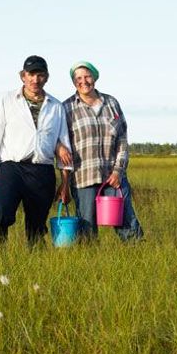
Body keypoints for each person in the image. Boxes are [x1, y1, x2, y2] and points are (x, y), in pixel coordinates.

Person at [0, 55, 72, 245]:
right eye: (31, 74)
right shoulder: (7, 100)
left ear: (46, 77)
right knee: (2, 211)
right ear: (22, 76)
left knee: (37, 224)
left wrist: (65, 183)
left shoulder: (55, 106)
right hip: (12, 167)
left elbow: (64, 145)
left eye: (40, 75)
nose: (35, 80)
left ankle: (35, 264)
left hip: (42, 169)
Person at [59, 60, 143, 241]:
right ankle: (90, 263)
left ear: (95, 78)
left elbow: (122, 140)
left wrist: (118, 172)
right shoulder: (66, 108)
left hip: (113, 177)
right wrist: (65, 184)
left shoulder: (111, 103)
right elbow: (63, 148)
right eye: (78, 78)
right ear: (74, 82)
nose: (83, 81)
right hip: (83, 177)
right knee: (86, 228)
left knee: (127, 223)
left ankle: (139, 256)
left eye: (87, 76)